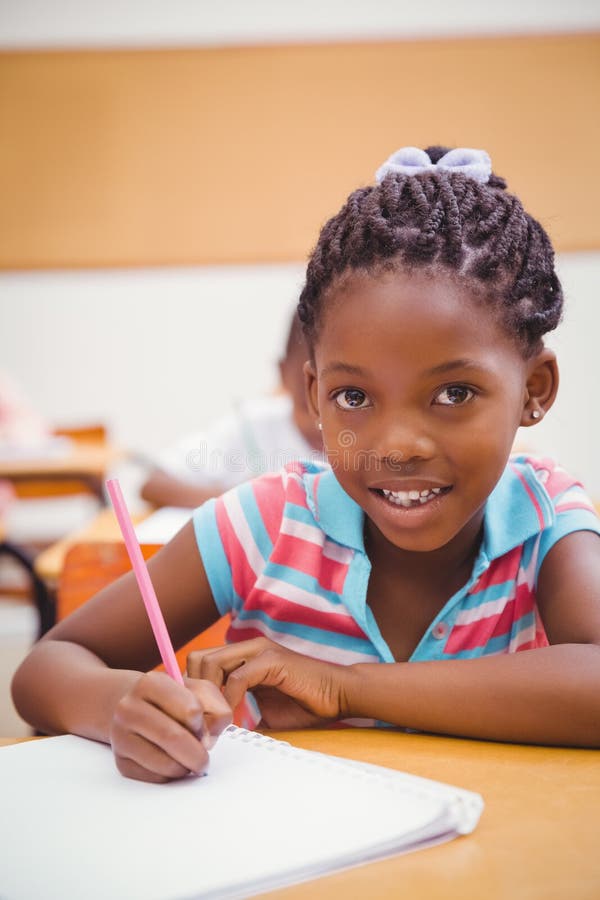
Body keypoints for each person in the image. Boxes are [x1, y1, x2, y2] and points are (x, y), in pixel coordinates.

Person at [12, 145, 600, 783]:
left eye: (453, 393)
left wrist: (346, 687)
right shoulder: (264, 525)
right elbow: (47, 667)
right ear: (315, 395)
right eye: (354, 398)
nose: (398, 445)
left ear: (535, 389)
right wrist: (121, 707)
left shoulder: (546, 517)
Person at [140, 312, 323, 508]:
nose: (317, 388)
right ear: (283, 371)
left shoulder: (347, 443)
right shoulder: (251, 426)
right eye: (308, 376)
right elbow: (154, 484)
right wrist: (243, 501)